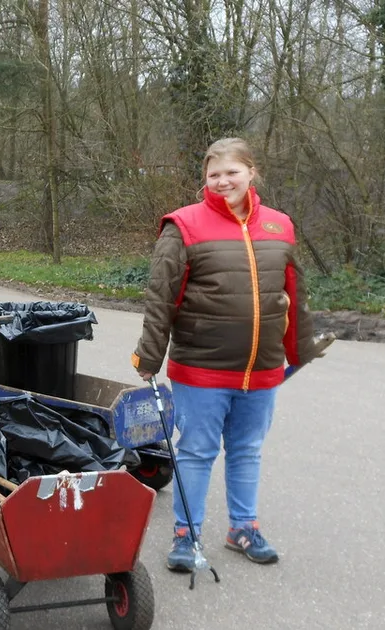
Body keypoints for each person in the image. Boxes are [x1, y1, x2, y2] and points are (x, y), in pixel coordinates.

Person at [131, 137, 320, 572]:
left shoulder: (280, 226)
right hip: (201, 369)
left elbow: (294, 293)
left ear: (251, 173)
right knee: (196, 451)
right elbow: (162, 298)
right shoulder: (183, 225)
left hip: (262, 369)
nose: (222, 182)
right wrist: (149, 357)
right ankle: (185, 535)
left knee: (247, 449)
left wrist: (300, 350)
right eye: (213, 174)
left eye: (231, 172)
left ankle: (243, 528)